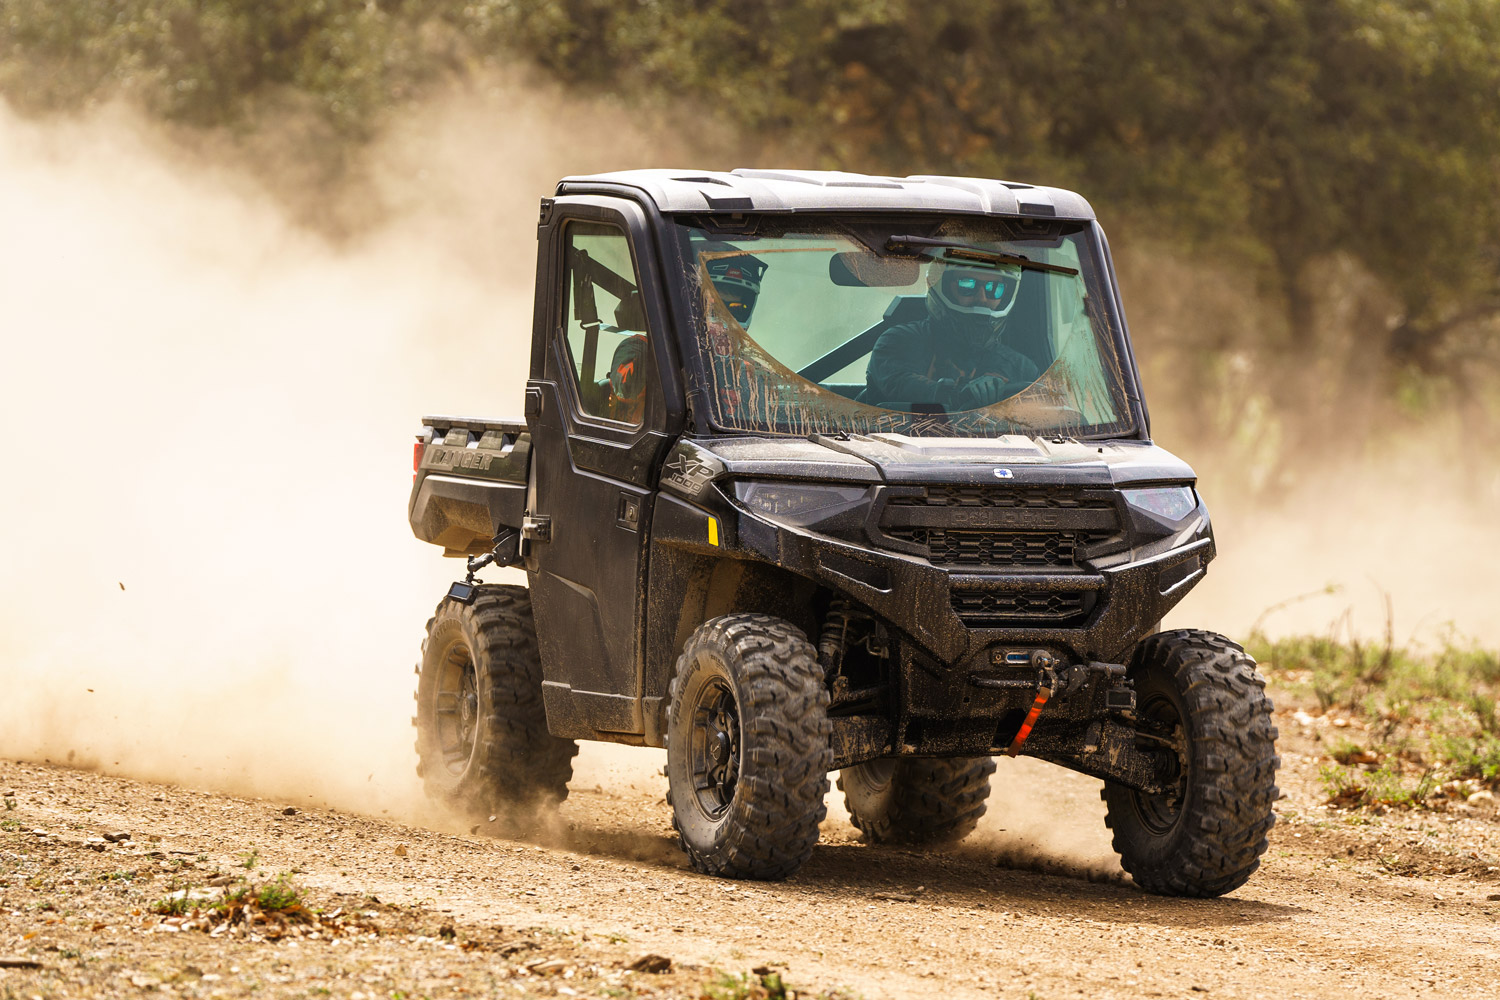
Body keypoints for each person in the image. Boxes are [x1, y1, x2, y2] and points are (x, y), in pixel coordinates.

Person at [864, 259, 1040, 409]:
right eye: (967, 285)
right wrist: (963, 393)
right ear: (941, 285)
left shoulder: (1021, 368)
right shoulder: (898, 344)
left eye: (995, 288)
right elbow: (905, 388)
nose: (982, 298)